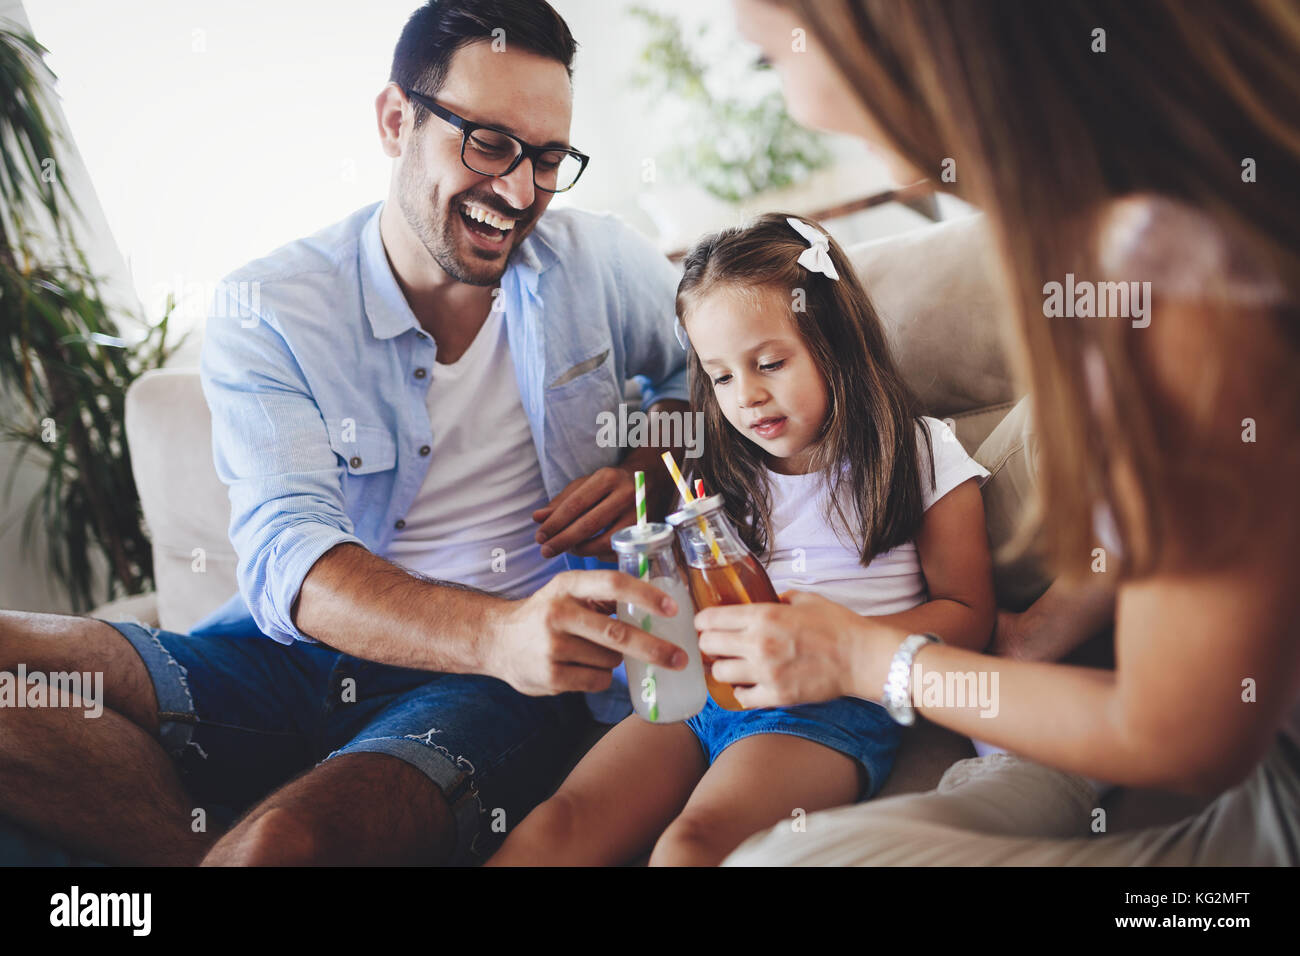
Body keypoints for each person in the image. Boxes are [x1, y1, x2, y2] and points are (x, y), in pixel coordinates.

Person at [0, 0, 694, 867]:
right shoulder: (273, 309)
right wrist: (494, 631)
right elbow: (289, 555)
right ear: (396, 120)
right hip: (288, 658)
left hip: (496, 687)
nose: (518, 193)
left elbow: (700, 379)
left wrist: (647, 460)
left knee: (284, 845)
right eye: (488, 143)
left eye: (547, 159)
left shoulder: (598, 261)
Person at [707, 0, 1300, 865]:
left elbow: (1189, 737)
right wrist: (1033, 636)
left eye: (774, 57)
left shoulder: (1181, 276)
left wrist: (869, 657)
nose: (799, 109)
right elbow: (1206, 535)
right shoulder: (1132, 235)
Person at [486, 213, 995, 866]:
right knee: (558, 825)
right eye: (721, 376)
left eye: (770, 363)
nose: (747, 395)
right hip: (702, 693)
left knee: (691, 846)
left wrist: (844, 643)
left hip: (827, 702)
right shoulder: (718, 473)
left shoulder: (919, 453)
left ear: (833, 340)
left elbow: (970, 617)